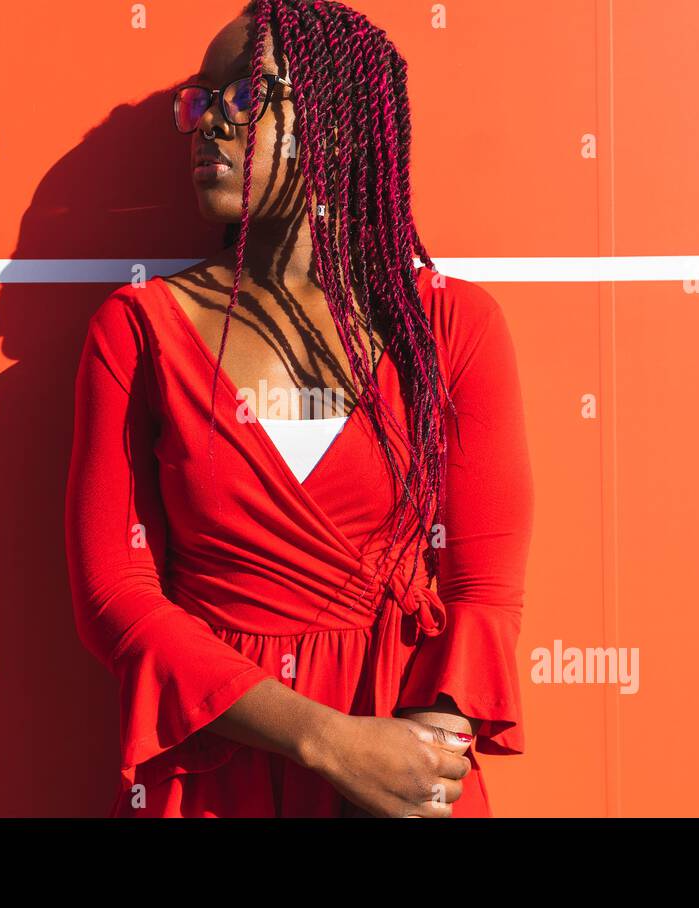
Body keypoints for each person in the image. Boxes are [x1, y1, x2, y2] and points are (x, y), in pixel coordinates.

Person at [64, 0, 534, 817]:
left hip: (405, 766)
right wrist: (325, 740)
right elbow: (117, 598)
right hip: (217, 763)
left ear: (339, 122)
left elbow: (483, 592)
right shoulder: (138, 330)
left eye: (244, 97)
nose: (210, 122)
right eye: (198, 102)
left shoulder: (451, 327)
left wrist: (412, 766)